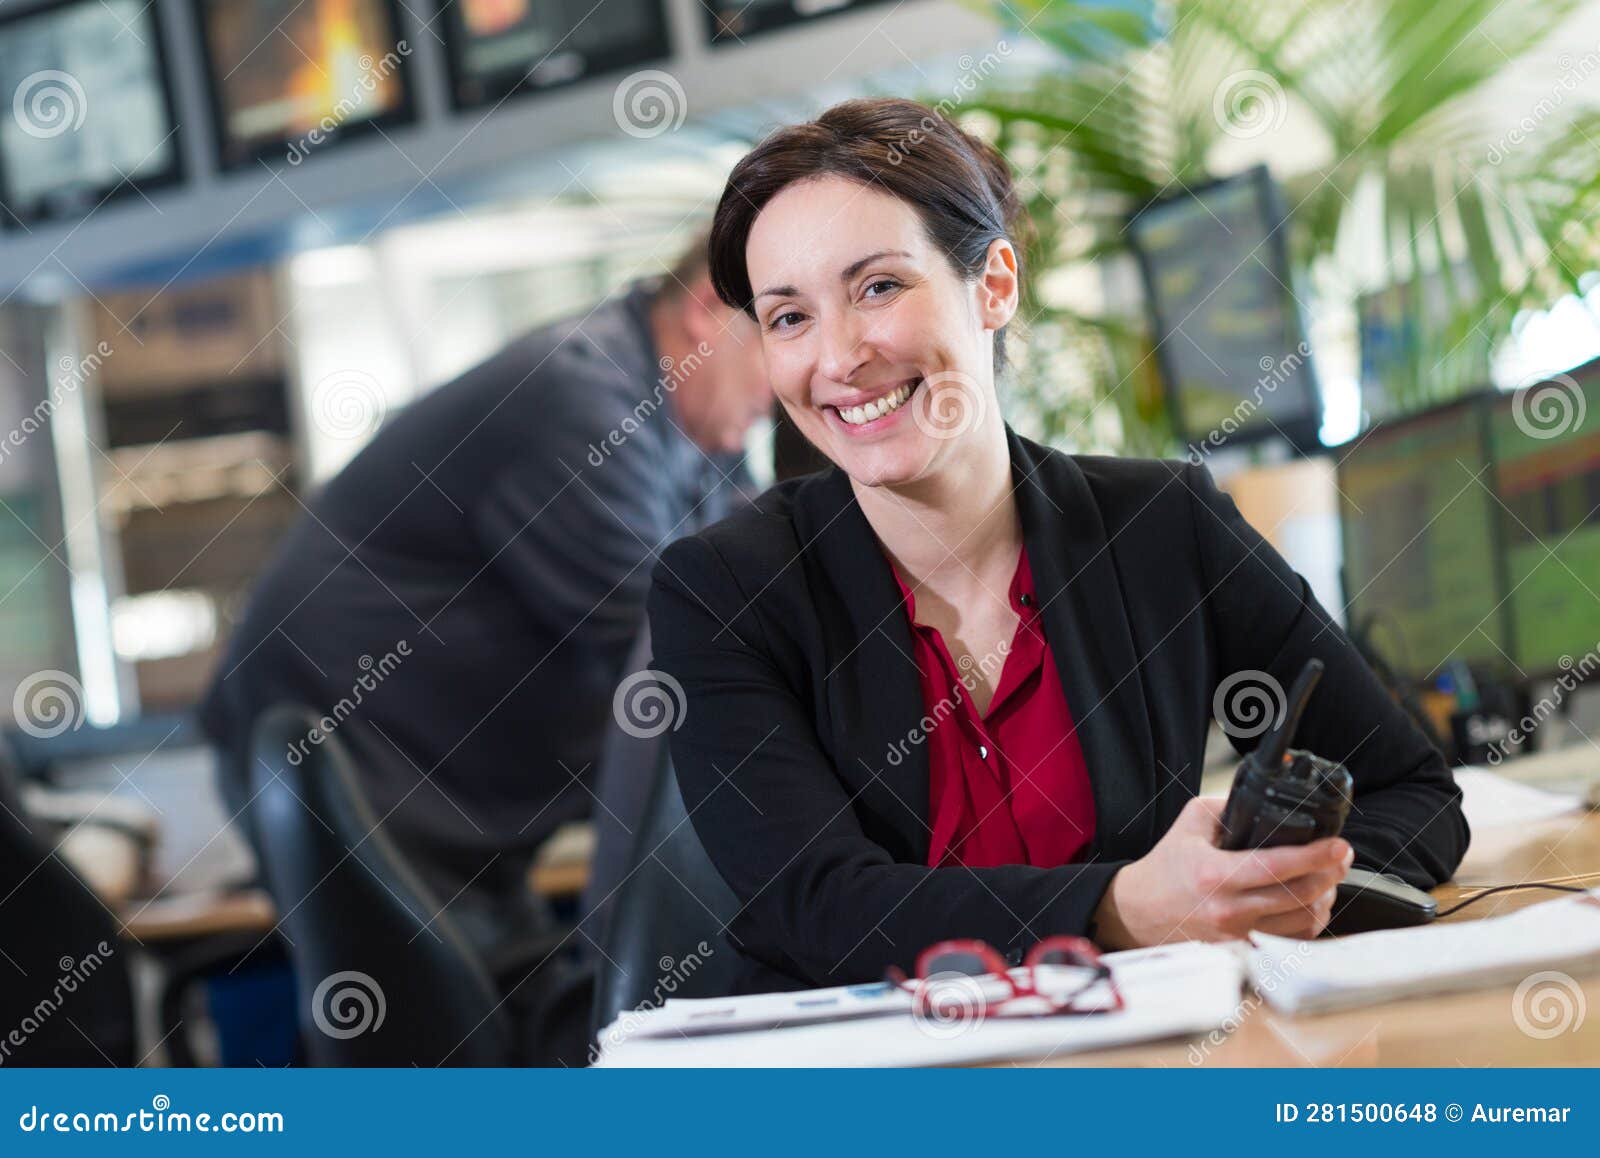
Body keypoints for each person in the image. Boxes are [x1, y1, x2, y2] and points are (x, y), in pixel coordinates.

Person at [645, 98, 1469, 993]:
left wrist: (1259, 890)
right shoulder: (724, 589)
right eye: (789, 317)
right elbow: (819, 911)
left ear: (993, 285)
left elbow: (1415, 797)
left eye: (878, 286)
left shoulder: (1162, 526)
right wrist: (1124, 908)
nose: (838, 357)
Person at [202, 236, 773, 1030]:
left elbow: (755, 594)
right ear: (711, 304)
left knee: (524, 1024)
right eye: (783, 325)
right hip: (364, 767)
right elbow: (670, 646)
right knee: (434, 1040)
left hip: (460, 805)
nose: (783, 392)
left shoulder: (702, 430)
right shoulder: (581, 397)